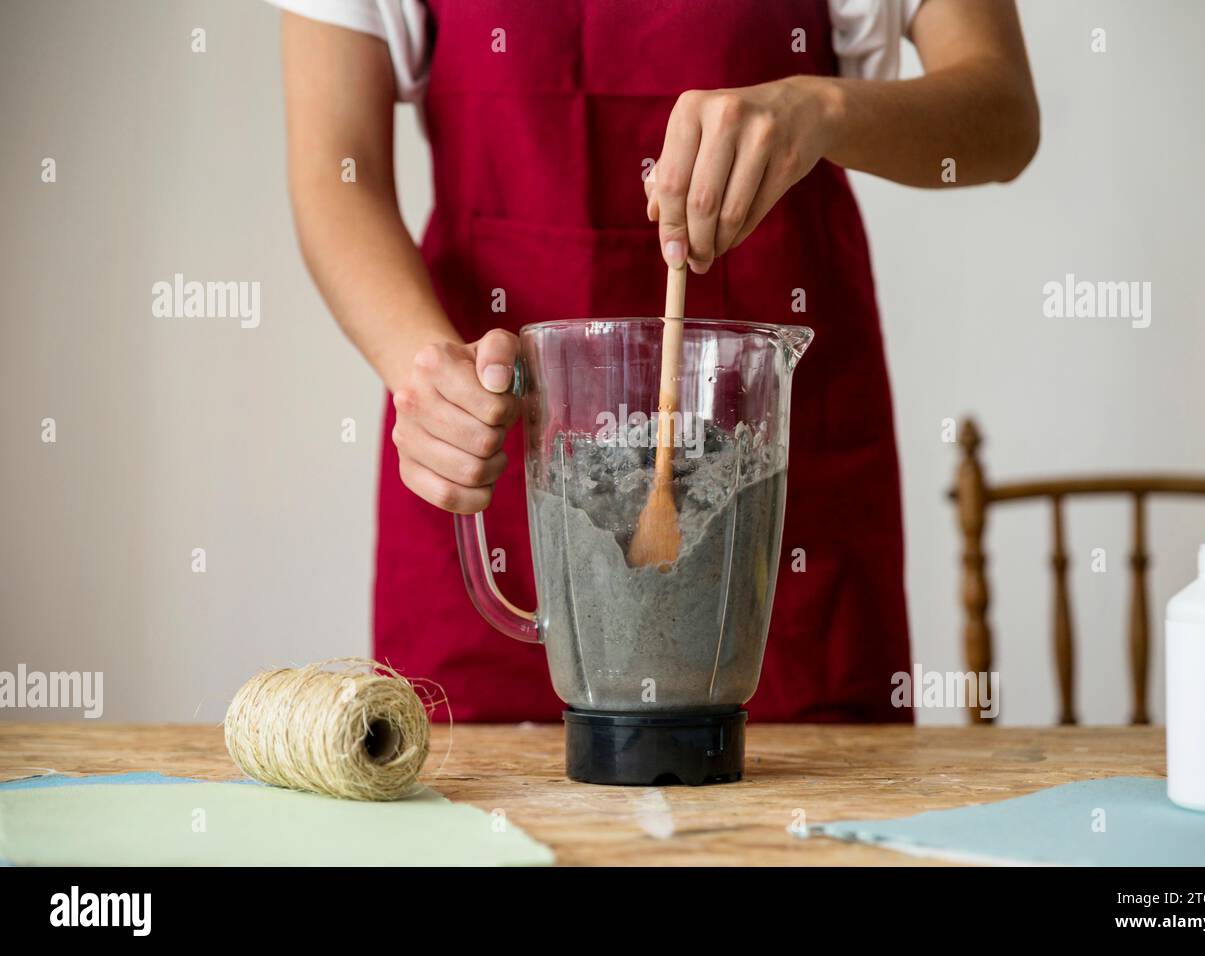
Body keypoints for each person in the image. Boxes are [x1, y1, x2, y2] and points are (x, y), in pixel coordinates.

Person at [272, 0, 1039, 721]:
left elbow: (1001, 109)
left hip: (775, 494)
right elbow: (337, 171)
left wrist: (821, 107)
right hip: (497, 467)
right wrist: (422, 367)